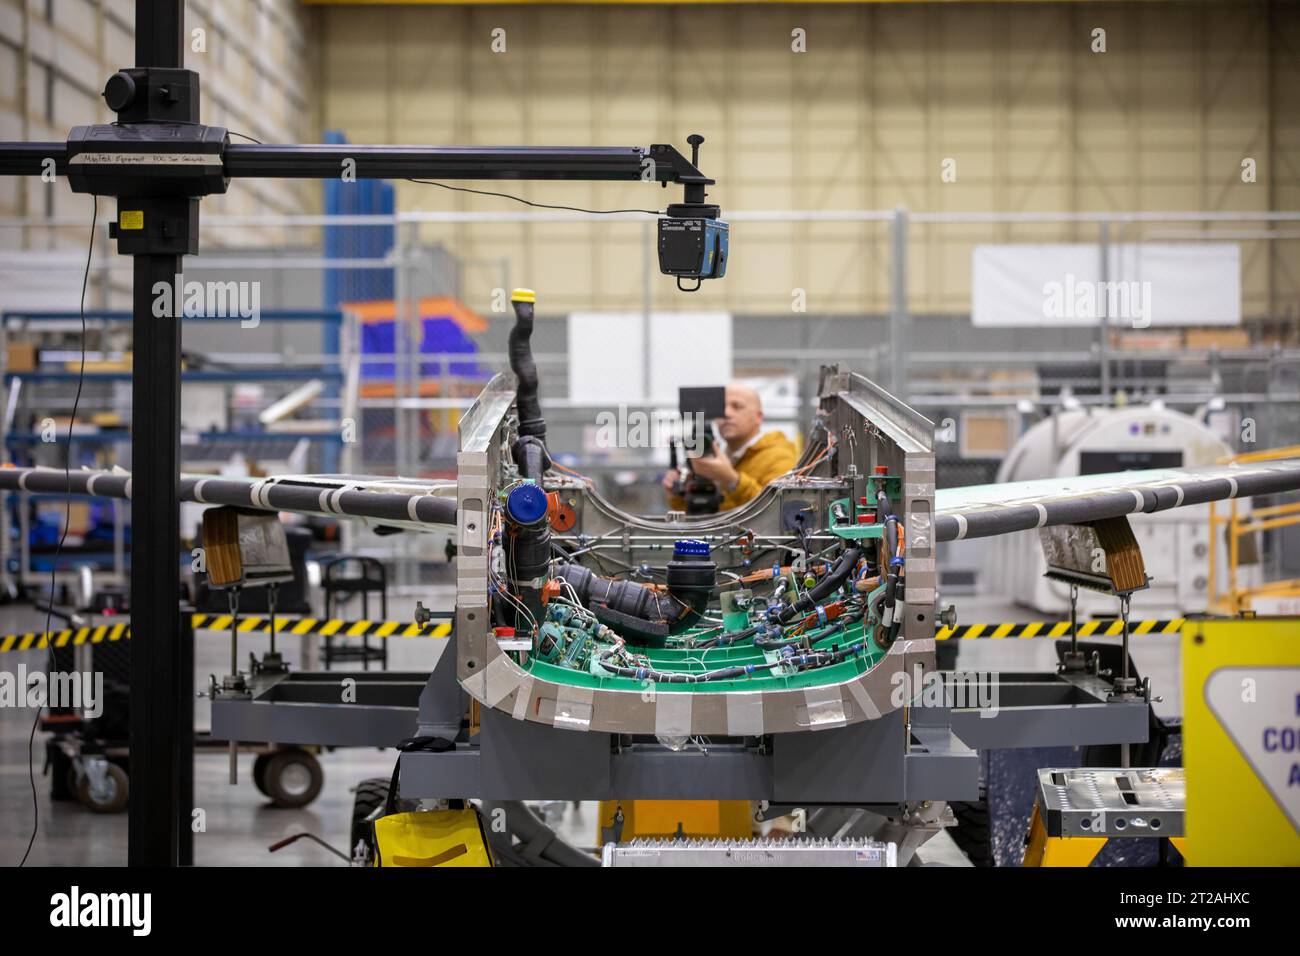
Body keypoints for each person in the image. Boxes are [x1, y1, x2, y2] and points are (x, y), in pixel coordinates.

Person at [662, 382, 797, 512]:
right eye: (721, 408)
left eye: (737, 406)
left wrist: (732, 480)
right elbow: (709, 520)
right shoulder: (719, 458)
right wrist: (678, 495)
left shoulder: (779, 456)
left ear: (758, 417)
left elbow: (778, 512)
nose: (726, 413)